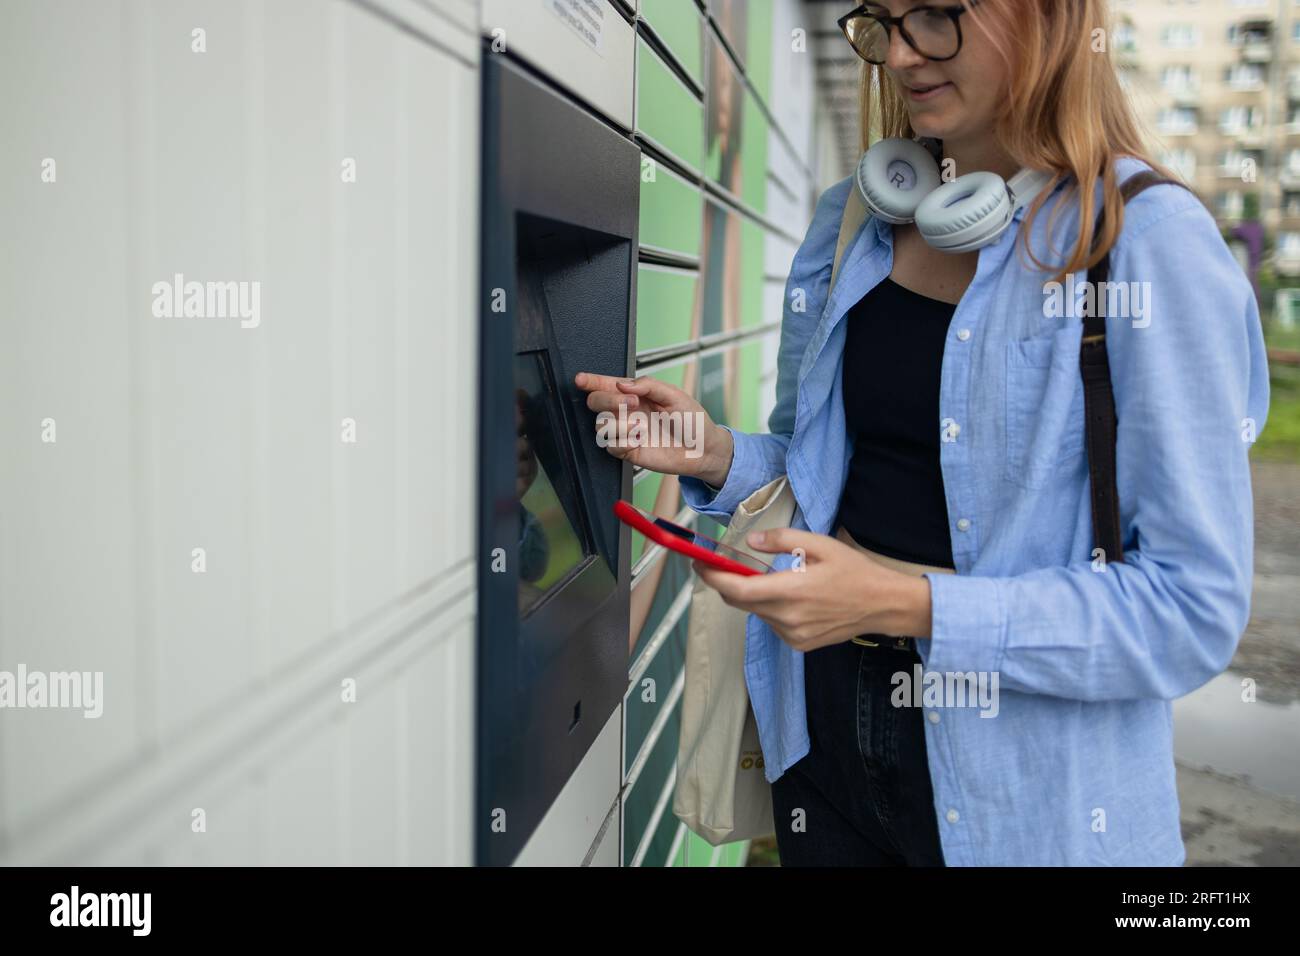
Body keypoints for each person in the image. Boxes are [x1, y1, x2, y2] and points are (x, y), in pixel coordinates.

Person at [576, 0, 1270, 866]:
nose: (901, 53)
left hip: (1027, 795)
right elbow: (815, 472)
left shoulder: (1147, 243)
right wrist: (710, 453)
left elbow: (1190, 610)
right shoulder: (852, 224)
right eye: (881, 20)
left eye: (936, 16)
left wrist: (905, 605)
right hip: (824, 738)